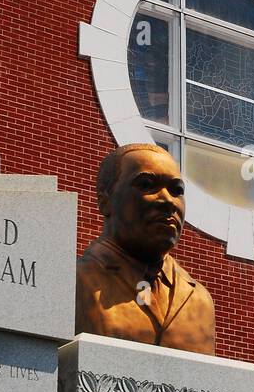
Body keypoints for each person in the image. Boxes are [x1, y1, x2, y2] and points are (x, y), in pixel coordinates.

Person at [75, 143, 216, 355]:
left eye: (176, 190)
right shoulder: (75, 282)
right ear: (105, 202)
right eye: (147, 184)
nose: (168, 201)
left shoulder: (200, 300)